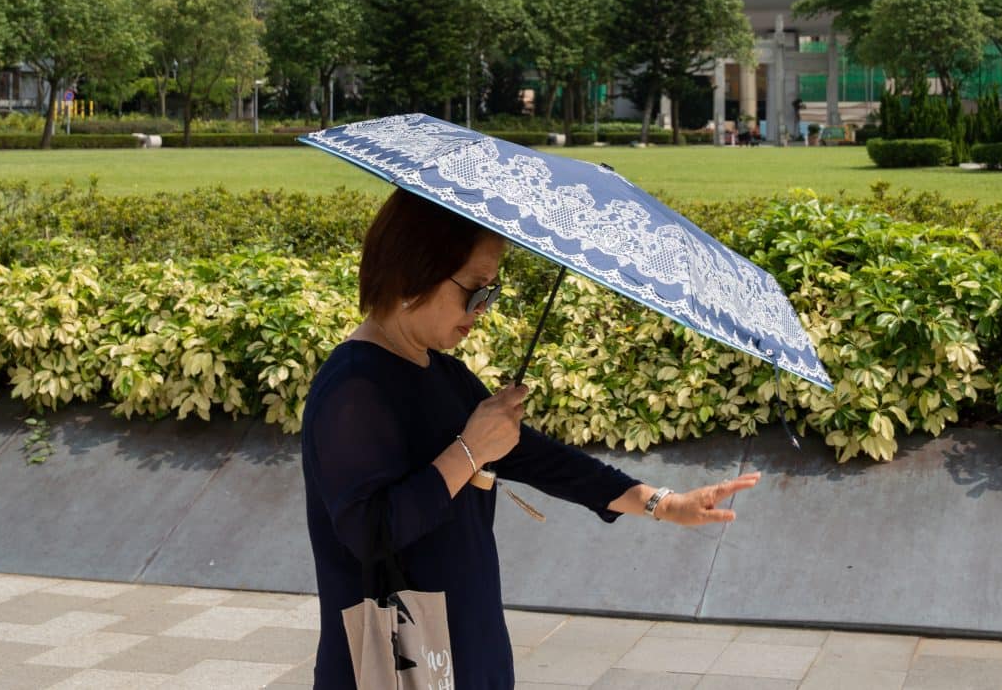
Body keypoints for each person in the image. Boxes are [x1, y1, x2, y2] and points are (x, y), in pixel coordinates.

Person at [302, 189, 761, 690]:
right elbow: (369, 533)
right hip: (395, 665)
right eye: (474, 290)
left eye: (491, 293)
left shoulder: (445, 376)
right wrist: (469, 452)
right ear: (414, 271)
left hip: (464, 647)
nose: (482, 308)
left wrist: (663, 503)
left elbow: (543, 461)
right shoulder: (353, 389)